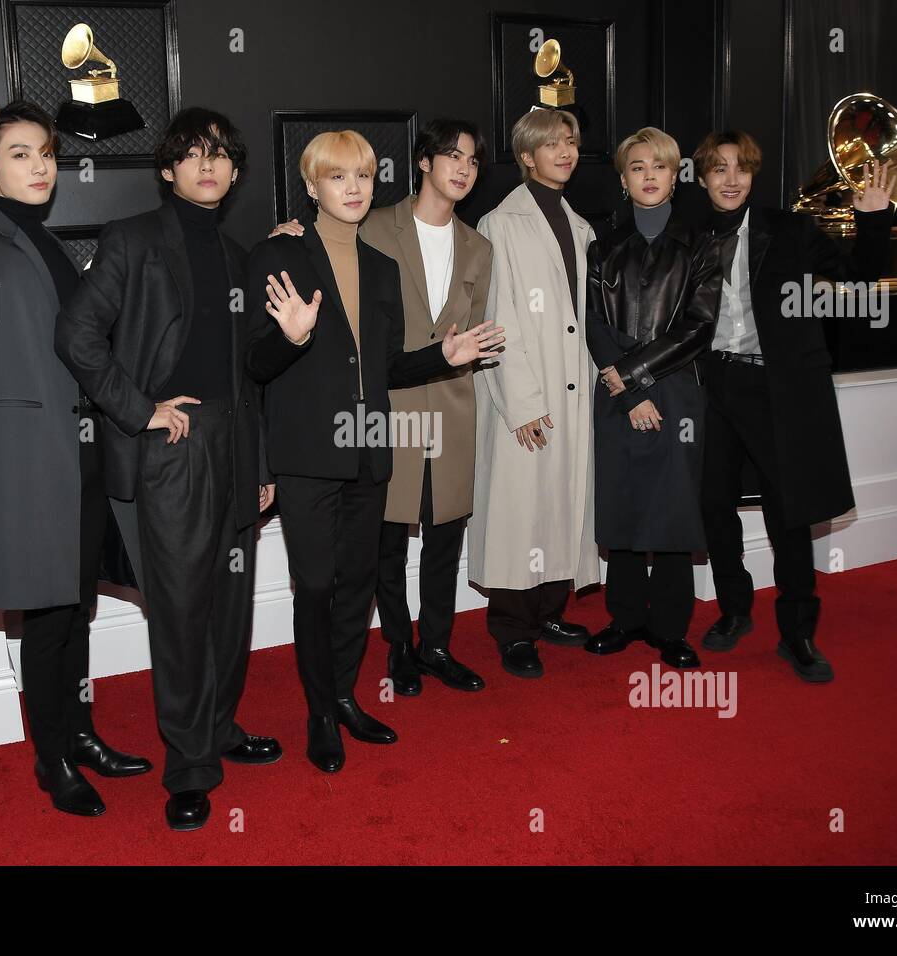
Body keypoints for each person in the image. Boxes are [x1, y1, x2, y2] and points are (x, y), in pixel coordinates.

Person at [246, 130, 503, 772]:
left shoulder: (381, 267)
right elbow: (252, 363)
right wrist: (292, 339)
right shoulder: (278, 256)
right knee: (317, 587)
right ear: (311, 187)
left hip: (368, 454)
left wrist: (443, 355)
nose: (354, 187)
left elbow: (385, 366)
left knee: (357, 586)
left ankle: (343, 696)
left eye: (362, 175)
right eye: (338, 177)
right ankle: (318, 715)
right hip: (306, 455)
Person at [0, 92, 150, 817]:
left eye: (46, 154)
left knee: (75, 606)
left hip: (82, 452)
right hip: (30, 455)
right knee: (49, 618)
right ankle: (50, 758)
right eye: (18, 154)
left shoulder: (50, 245)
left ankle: (81, 734)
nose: (39, 166)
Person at [55, 107, 279, 832]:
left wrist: (263, 462)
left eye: (220, 154)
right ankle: (189, 765)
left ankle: (218, 729)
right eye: (192, 153)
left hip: (235, 445)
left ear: (235, 172)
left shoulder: (240, 255)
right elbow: (76, 333)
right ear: (168, 168)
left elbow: (251, 373)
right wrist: (140, 407)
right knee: (181, 612)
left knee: (230, 606)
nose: (207, 164)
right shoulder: (132, 240)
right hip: (173, 447)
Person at [690, 129, 893, 683]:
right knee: (712, 503)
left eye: (741, 169)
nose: (731, 179)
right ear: (703, 176)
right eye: (719, 169)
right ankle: (735, 610)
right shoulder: (692, 236)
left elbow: (864, 278)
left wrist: (875, 219)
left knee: (788, 509)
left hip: (777, 391)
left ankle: (797, 632)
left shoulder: (790, 230)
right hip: (713, 387)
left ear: (753, 175)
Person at [584, 127, 722, 668]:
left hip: (675, 394)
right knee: (621, 509)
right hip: (616, 392)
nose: (648, 175)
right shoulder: (603, 247)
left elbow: (697, 327)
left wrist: (635, 377)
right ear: (623, 178)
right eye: (637, 167)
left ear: (674, 176)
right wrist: (625, 388)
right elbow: (593, 325)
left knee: (671, 513)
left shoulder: (702, 245)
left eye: (659, 166)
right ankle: (625, 619)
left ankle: (670, 629)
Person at [469, 108, 598, 679]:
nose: (564, 152)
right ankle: (512, 629)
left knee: (562, 501)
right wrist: (521, 404)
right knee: (521, 511)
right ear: (527, 156)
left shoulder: (580, 225)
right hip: (524, 392)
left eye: (570, 142)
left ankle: (549, 612)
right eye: (551, 144)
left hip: (574, 390)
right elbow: (500, 323)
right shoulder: (501, 223)